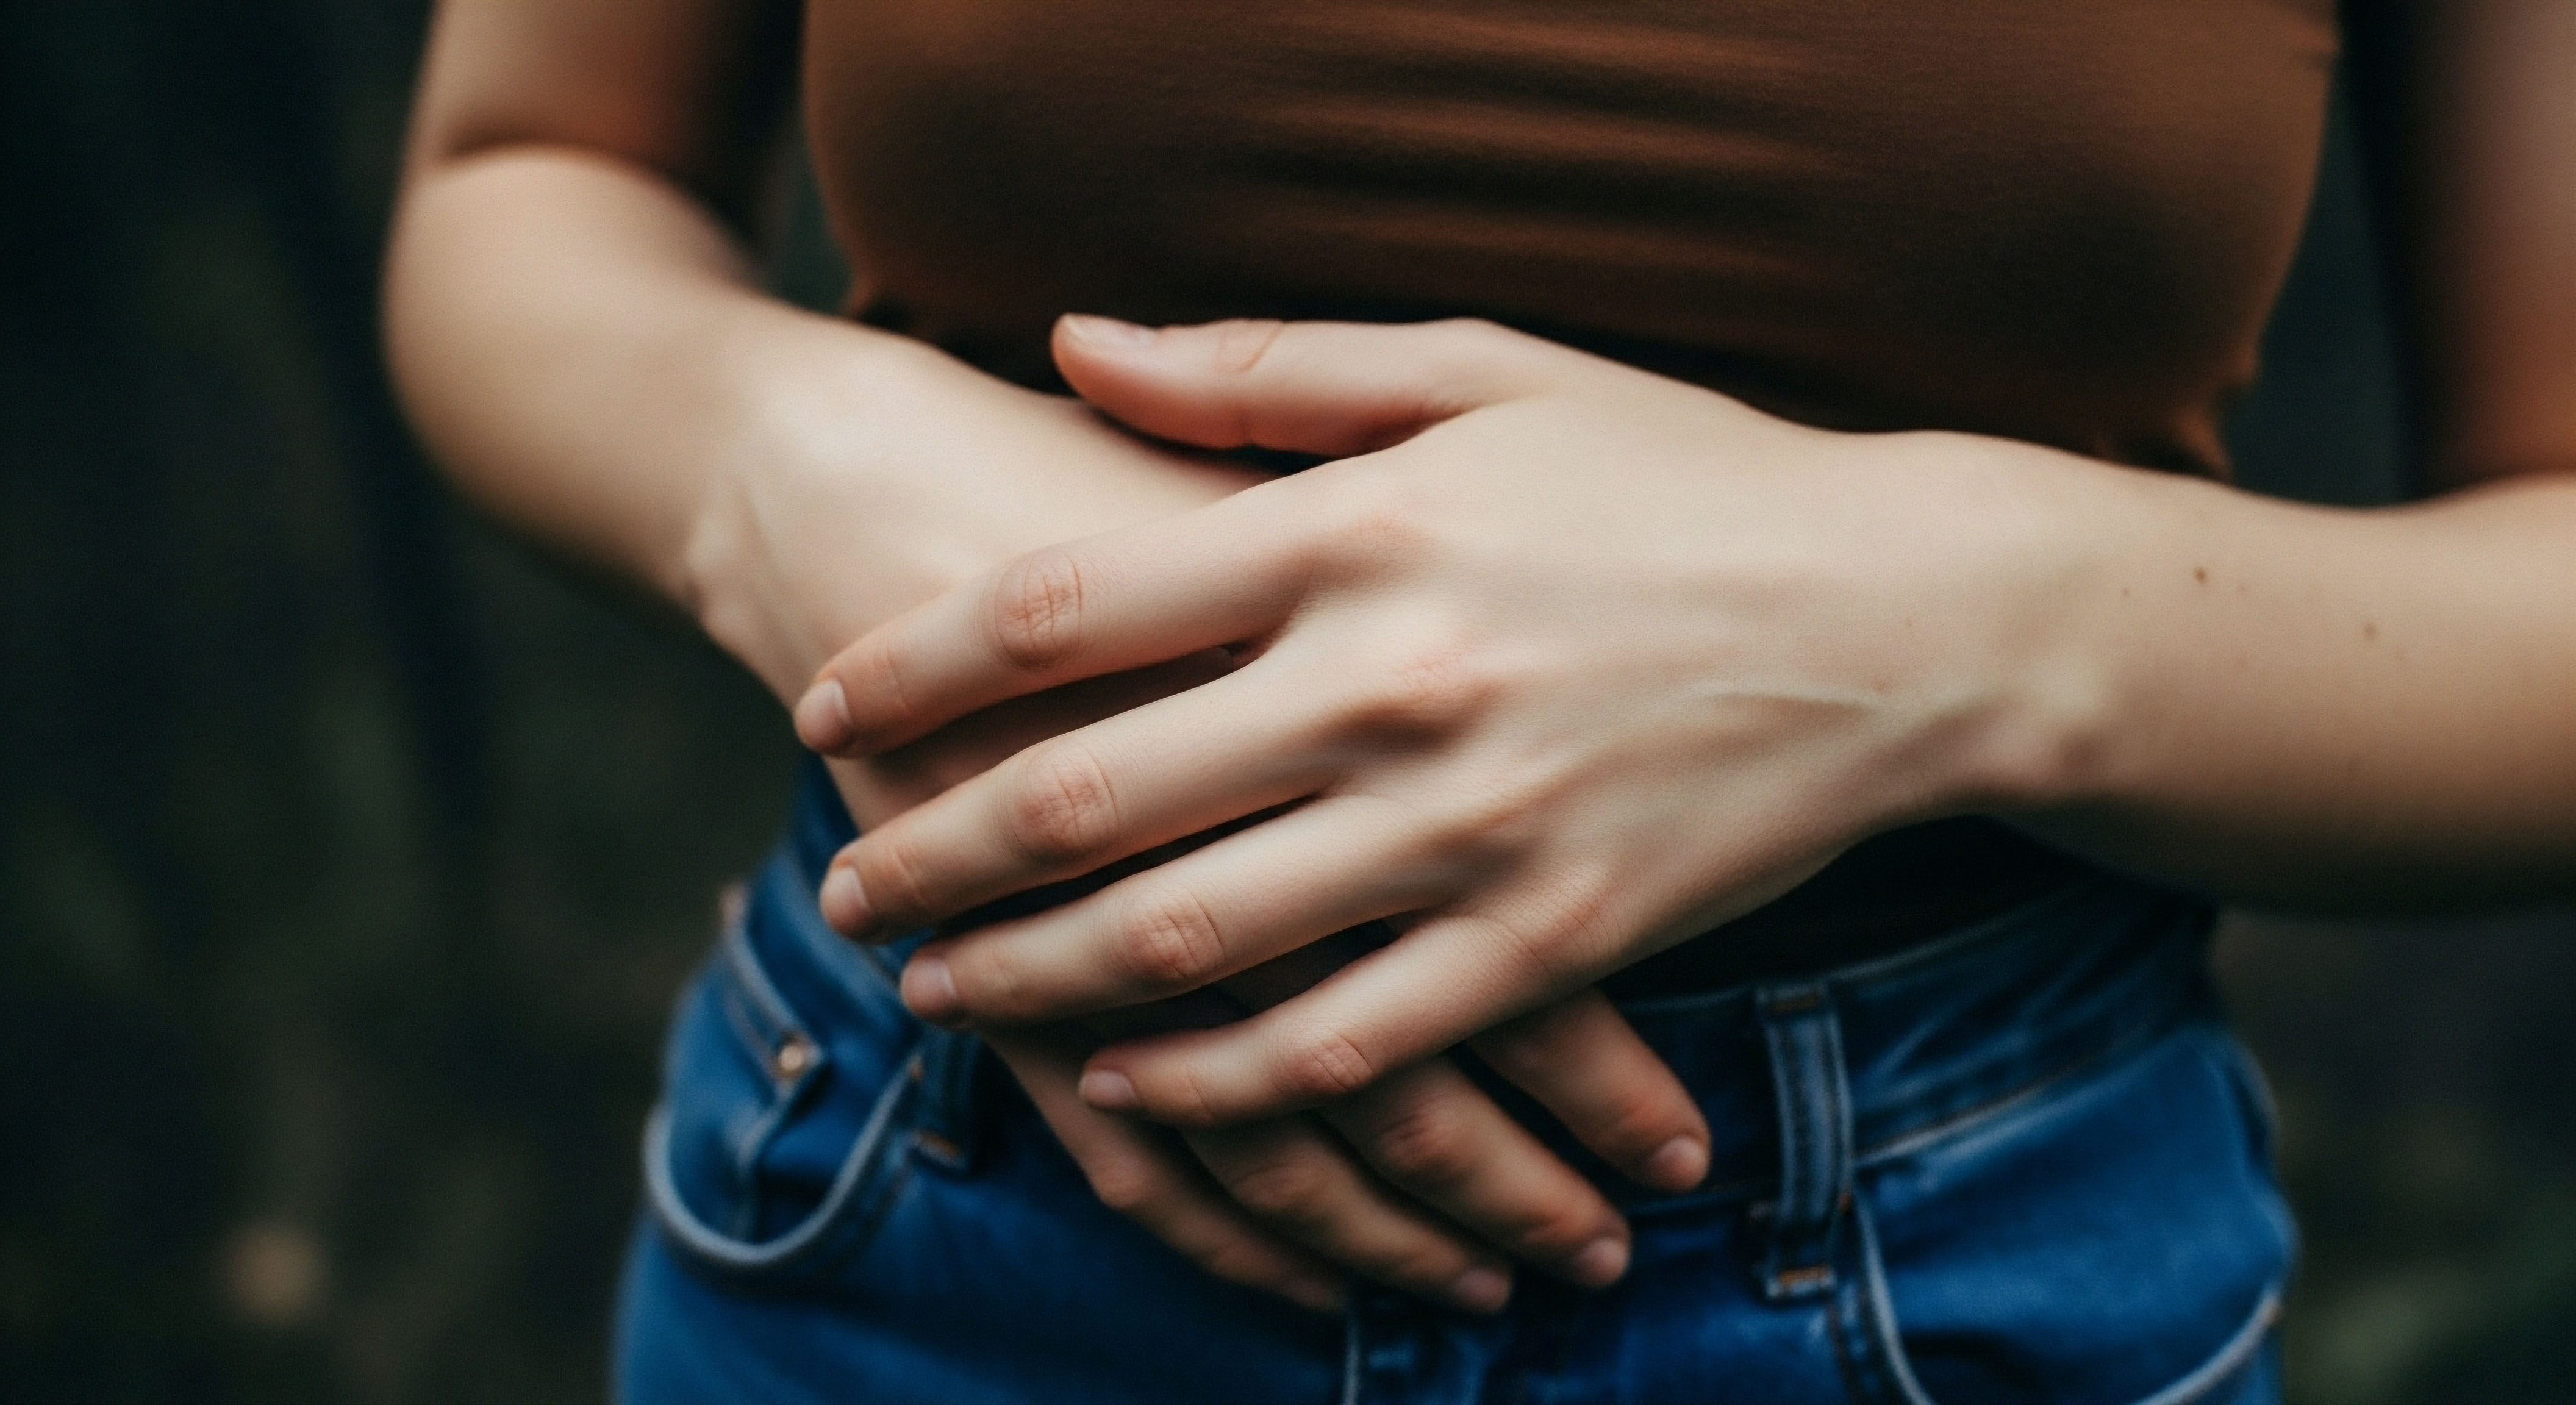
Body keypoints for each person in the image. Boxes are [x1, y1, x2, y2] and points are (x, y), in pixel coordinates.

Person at [384, 1, 2576, 1400]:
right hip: (946, 1205)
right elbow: (528, 180)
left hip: (1956, 1263)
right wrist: (797, 464)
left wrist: (1966, 623)